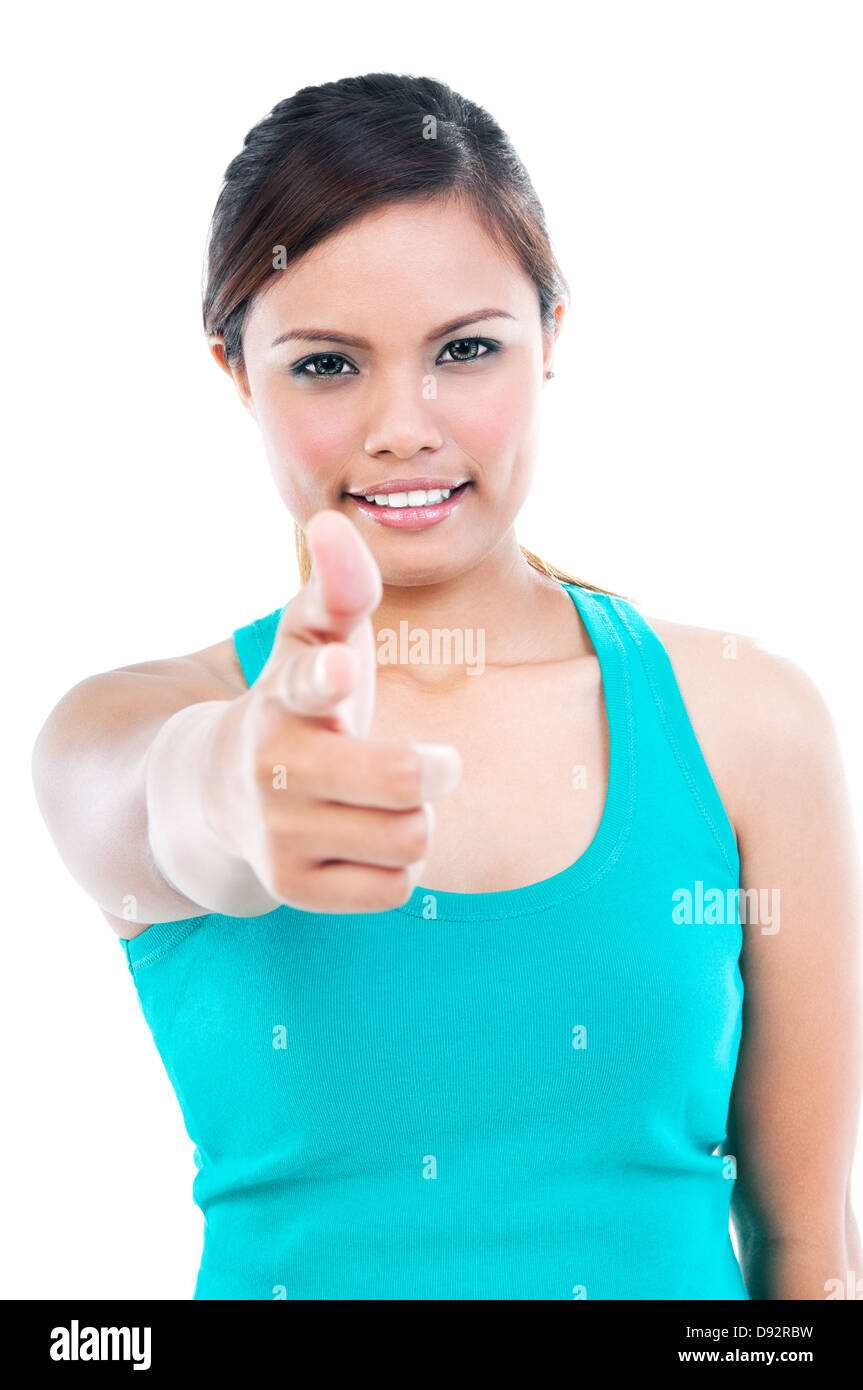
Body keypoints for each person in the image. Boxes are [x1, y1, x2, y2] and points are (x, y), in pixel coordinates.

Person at [32, 72, 862, 1301]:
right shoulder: (124, 721)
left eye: (466, 349)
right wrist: (239, 789)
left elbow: (807, 1254)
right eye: (324, 365)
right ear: (234, 371)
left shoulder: (749, 719)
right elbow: (169, 806)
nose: (402, 426)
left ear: (552, 339)